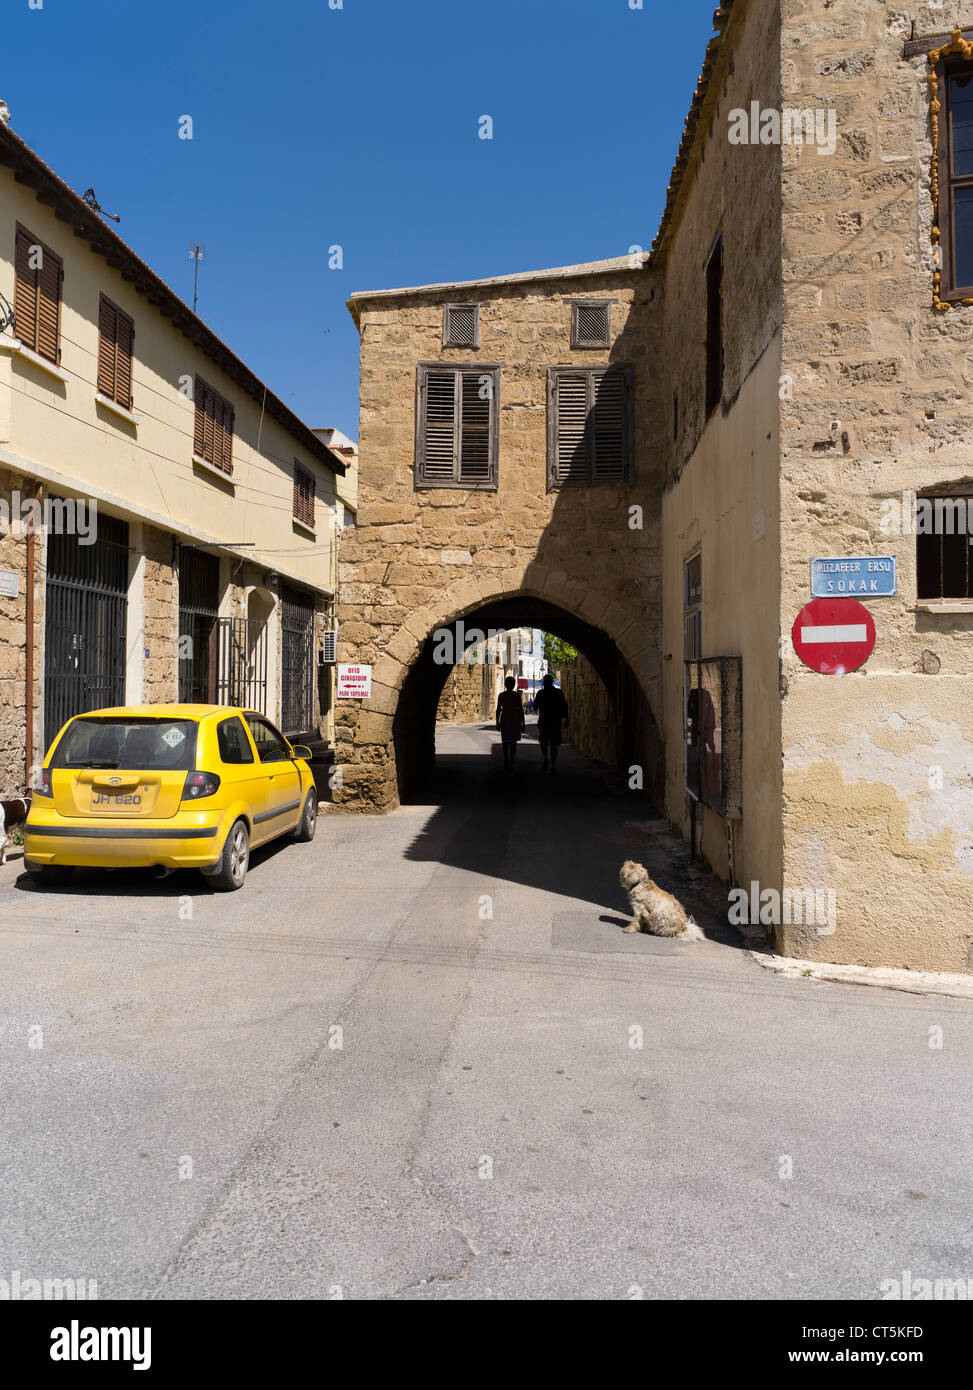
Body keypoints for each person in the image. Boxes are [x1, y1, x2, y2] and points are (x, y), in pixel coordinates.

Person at [533, 673, 569, 773]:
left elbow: (535, 707)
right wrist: (566, 718)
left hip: (544, 721)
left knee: (543, 743)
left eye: (544, 682)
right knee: (553, 744)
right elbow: (564, 706)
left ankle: (545, 758)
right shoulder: (558, 693)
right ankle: (553, 764)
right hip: (555, 722)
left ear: (544, 683)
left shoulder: (540, 693)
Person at [495, 675, 526, 770]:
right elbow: (520, 710)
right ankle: (512, 761)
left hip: (504, 720)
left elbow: (498, 710)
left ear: (505, 684)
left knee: (505, 742)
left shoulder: (501, 695)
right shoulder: (517, 695)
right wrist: (523, 723)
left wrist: (497, 722)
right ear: (513, 685)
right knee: (513, 743)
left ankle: (506, 759)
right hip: (515, 720)